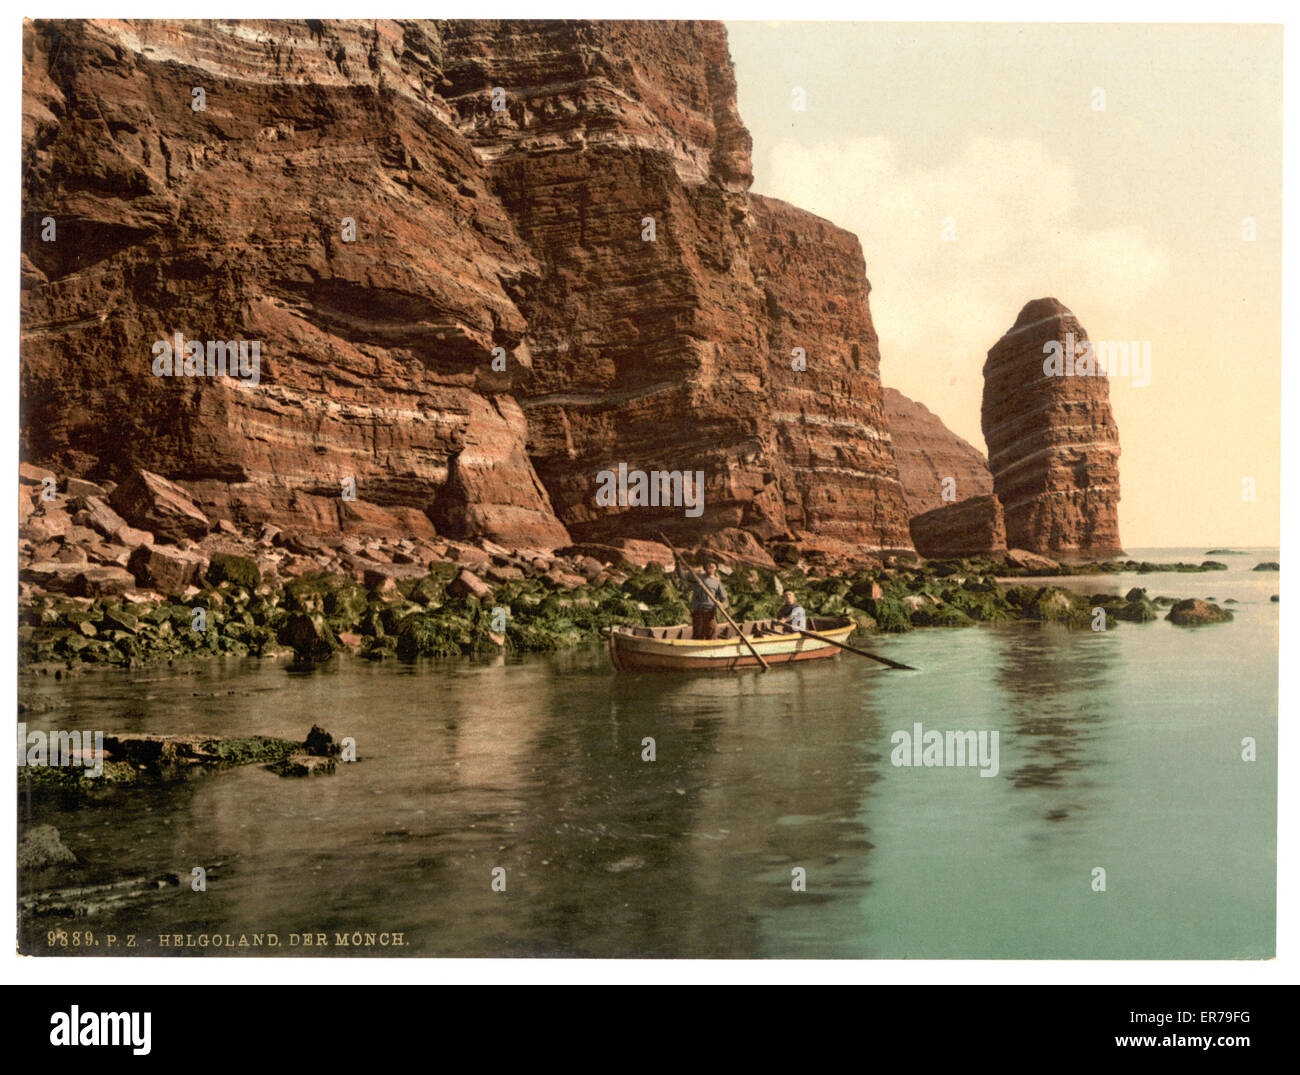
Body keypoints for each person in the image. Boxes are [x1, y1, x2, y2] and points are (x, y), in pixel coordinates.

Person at [679, 559, 728, 640]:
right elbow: (682, 576)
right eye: (708, 566)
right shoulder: (698, 577)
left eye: (712, 566)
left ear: (715, 568)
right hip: (697, 611)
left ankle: (711, 649)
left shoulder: (717, 582)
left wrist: (720, 602)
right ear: (705, 568)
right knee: (697, 633)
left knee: (711, 632)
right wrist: (678, 564)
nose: (710, 567)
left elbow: (723, 596)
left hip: (709, 611)